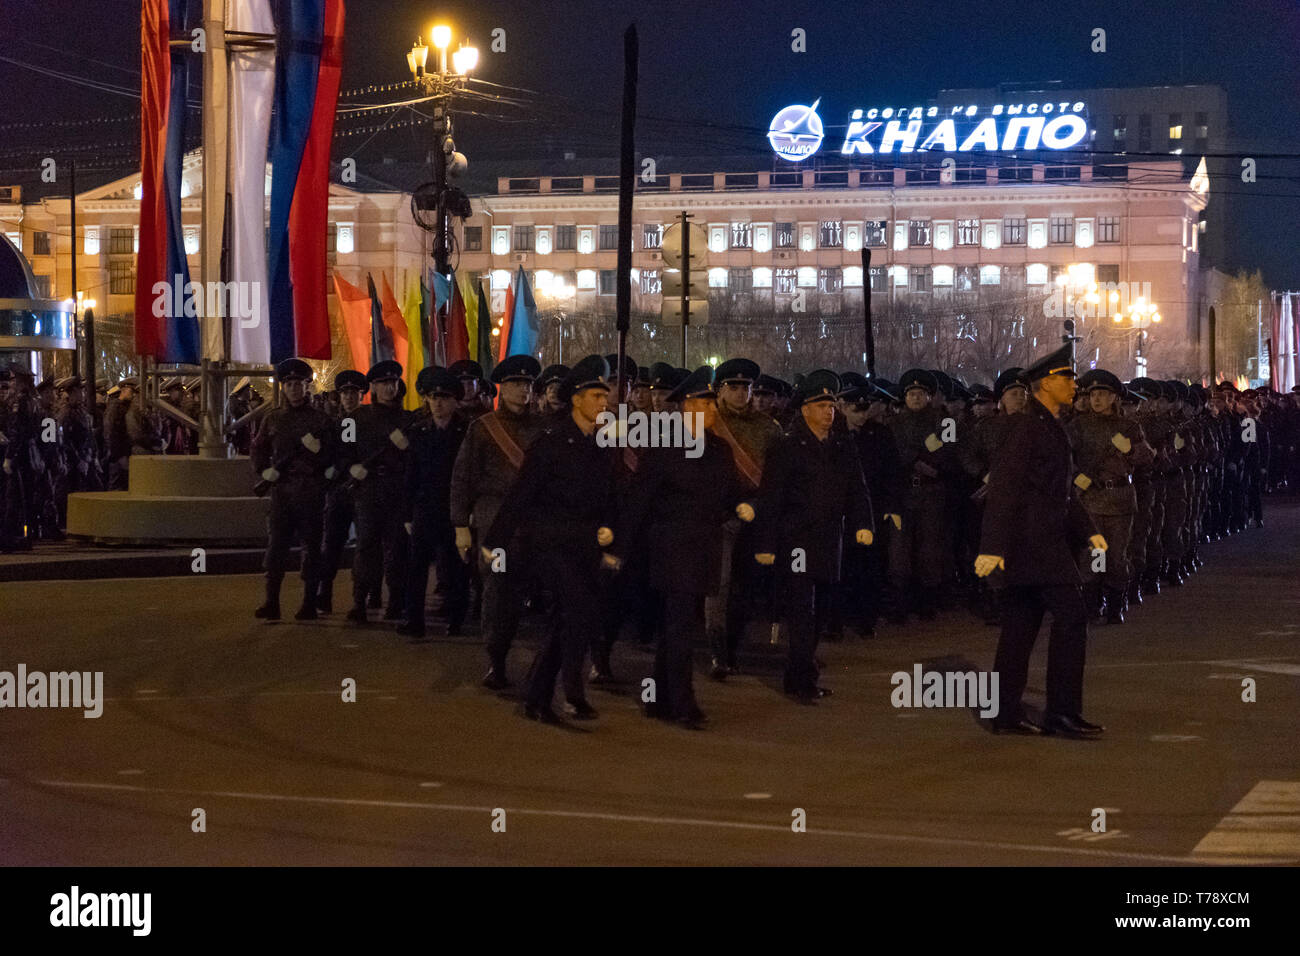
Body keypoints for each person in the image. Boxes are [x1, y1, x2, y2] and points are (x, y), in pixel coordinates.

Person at [975, 344, 1106, 738]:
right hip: (1034, 543)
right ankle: (1061, 713)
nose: (1074, 385)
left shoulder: (1049, 424)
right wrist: (991, 547)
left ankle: (1005, 712)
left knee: (1019, 625)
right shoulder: (1026, 426)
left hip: (1037, 541)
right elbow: (1005, 488)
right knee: (1071, 616)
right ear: (1046, 384)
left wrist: (1088, 529)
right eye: (1067, 378)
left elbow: (1059, 490)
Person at [616, 366, 753, 729]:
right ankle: (682, 702)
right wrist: (620, 549)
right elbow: (638, 500)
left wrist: (741, 504)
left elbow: (729, 491)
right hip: (671, 548)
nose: (711, 410)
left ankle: (661, 699)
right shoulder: (664, 447)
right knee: (679, 628)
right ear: (686, 408)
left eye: (712, 404)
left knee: (676, 627)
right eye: (704, 404)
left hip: (706, 547)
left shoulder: (720, 449)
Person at [484, 355, 617, 724]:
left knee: (571, 619)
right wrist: (494, 540)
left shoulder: (602, 442)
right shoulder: (551, 441)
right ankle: (568, 693)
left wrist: (609, 527)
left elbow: (611, 494)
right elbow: (521, 494)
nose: (602, 403)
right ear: (576, 399)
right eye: (595, 396)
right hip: (551, 543)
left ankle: (538, 695)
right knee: (576, 612)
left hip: (587, 545)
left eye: (604, 397)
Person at [754, 370, 874, 703]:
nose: (829, 412)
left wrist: (864, 524)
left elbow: (857, 489)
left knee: (820, 608)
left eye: (831, 406)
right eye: (821, 406)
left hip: (828, 538)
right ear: (805, 409)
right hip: (796, 539)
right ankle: (801, 679)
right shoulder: (788, 447)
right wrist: (766, 544)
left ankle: (802, 672)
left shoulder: (841, 445)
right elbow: (771, 498)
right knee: (801, 608)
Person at [450, 354, 544, 687]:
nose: (523, 390)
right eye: (517, 384)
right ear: (503, 389)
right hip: (497, 525)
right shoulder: (483, 428)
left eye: (528, 384)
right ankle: (496, 659)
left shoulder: (543, 427)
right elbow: (463, 478)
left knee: (537, 595)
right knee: (498, 593)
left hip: (536, 525)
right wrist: (461, 525)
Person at [707, 357, 783, 678]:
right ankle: (717, 653)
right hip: (719, 516)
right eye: (732, 387)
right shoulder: (706, 423)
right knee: (718, 586)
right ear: (719, 391)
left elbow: (778, 476)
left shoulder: (768, 427)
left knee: (745, 586)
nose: (740, 393)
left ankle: (733, 647)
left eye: (745, 387)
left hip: (756, 515)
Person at [1066, 370, 1154, 625]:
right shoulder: (1078, 425)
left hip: (1119, 498)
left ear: (1114, 397)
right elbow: (1064, 456)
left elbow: (1147, 459)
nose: (1096, 399)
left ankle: (1116, 604)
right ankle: (1094, 603)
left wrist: (1130, 451)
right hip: (1090, 498)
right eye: (1093, 394)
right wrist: (1076, 476)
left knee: (1116, 555)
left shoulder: (1128, 426)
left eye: (1102, 394)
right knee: (1094, 553)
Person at [250, 359, 336, 621]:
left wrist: (319, 452)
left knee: (311, 548)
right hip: (282, 491)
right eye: (289, 384)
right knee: (276, 547)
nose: (294, 388)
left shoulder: (321, 420)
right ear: (283, 387)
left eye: (298, 383)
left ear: (306, 385)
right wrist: (264, 472)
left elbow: (334, 458)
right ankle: (271, 602)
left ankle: (309, 602)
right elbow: (259, 449)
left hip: (310, 491)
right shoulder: (273, 418)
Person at [400, 367, 469, 642]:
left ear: (455, 401)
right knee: (416, 567)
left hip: (453, 509)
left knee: (456, 567)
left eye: (444, 397)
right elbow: (411, 474)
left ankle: (456, 618)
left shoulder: (466, 432)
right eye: (432, 397)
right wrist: (408, 513)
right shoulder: (419, 432)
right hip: (426, 508)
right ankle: (414, 619)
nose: (438, 403)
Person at [341, 360, 412, 624]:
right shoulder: (356, 419)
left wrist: (405, 447)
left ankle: (395, 600)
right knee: (366, 547)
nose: (389, 388)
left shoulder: (408, 420)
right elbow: (343, 452)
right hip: (368, 490)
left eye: (393, 383)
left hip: (396, 489)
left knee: (397, 548)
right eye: (383, 384)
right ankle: (360, 600)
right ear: (373, 387)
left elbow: (416, 460)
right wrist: (352, 468)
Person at [886, 369, 954, 621]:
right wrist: (918, 457)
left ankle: (927, 602)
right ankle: (900, 603)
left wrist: (921, 455)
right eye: (911, 394)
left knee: (929, 548)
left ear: (929, 396)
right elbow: (894, 452)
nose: (915, 398)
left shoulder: (943, 420)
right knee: (899, 550)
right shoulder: (894, 422)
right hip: (903, 492)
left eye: (920, 393)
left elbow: (949, 451)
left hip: (932, 492)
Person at [316, 370, 367, 613]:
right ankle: (324, 592)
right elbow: (330, 453)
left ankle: (361, 599)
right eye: (345, 393)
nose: (348, 397)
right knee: (332, 544)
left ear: (361, 395)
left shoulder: (367, 422)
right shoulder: (334, 423)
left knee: (365, 548)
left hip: (362, 491)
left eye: (353, 393)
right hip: (339, 490)